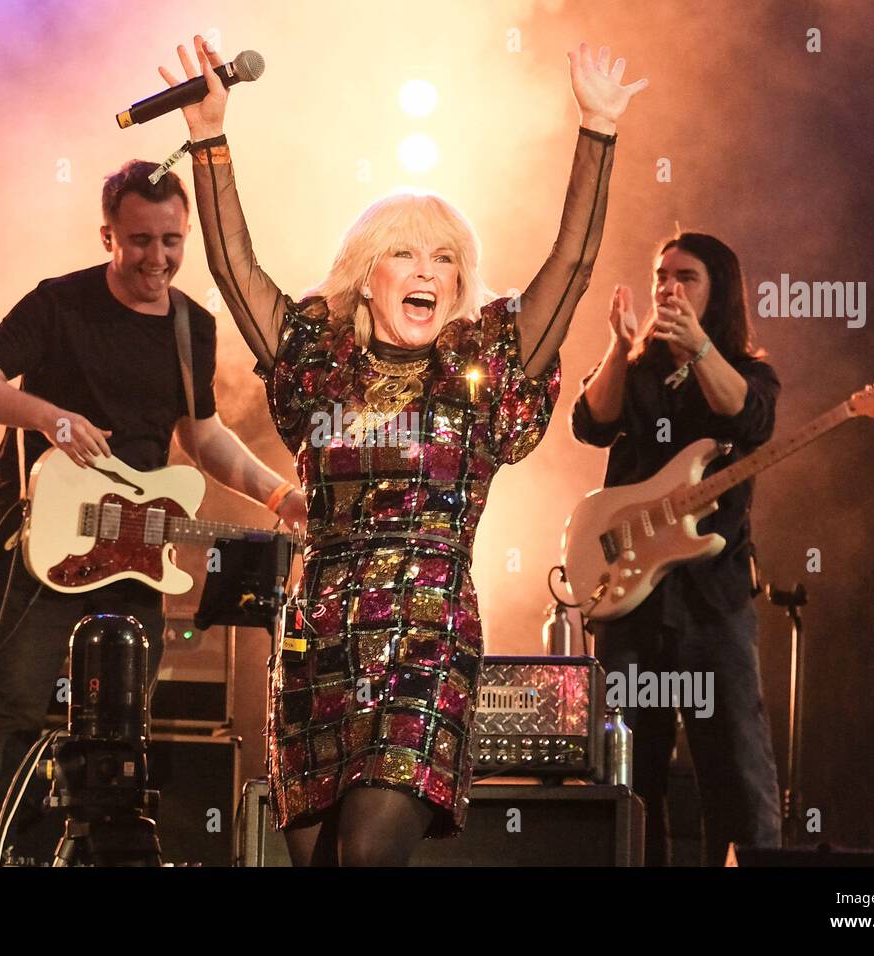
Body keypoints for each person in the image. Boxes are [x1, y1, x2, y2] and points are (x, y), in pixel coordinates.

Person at [158, 33, 645, 866]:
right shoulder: (317, 359)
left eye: (447, 259)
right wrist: (209, 139)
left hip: (426, 641)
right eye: (407, 253)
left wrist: (596, 131)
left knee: (367, 856)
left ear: (459, 283)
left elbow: (572, 263)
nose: (429, 270)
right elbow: (237, 272)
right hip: (318, 644)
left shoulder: (481, 369)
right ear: (367, 273)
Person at [0, 159, 307, 866]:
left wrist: (278, 494)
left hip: (135, 546)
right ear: (107, 234)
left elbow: (201, 436)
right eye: (139, 241)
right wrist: (49, 417)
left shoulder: (190, 326)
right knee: (8, 712)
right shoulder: (60, 303)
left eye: (171, 241)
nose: (157, 258)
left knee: (120, 722)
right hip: (43, 536)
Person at [571, 231, 783, 865]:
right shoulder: (636, 373)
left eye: (685, 277)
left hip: (712, 602)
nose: (668, 286)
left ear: (718, 292)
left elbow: (749, 419)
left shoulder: (747, 372)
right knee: (629, 781)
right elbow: (592, 423)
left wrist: (700, 347)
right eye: (661, 274)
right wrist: (617, 343)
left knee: (737, 777)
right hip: (631, 604)